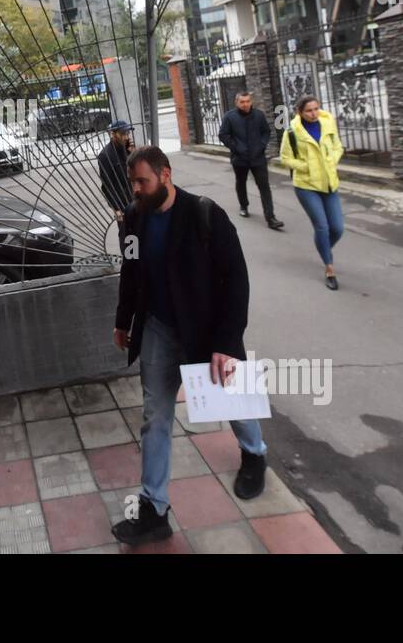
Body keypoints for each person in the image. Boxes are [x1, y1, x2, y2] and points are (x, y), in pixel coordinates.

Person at [110, 146, 267, 546]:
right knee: (155, 417)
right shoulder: (134, 217)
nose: (137, 189)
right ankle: (154, 509)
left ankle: (254, 453)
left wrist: (227, 342)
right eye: (133, 183)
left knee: (230, 399)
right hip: (159, 330)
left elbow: (237, 282)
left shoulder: (205, 215)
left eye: (142, 181)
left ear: (166, 175)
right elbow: (131, 273)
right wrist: (122, 321)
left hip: (205, 329)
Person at [279, 95, 345, 290]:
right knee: (322, 227)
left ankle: (323, 247)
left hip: (329, 183)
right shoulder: (292, 132)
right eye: (309, 110)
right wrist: (305, 165)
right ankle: (329, 267)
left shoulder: (328, 123)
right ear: (300, 112)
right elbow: (285, 158)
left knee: (338, 228)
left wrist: (331, 159)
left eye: (316, 109)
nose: (314, 113)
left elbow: (337, 147)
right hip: (306, 185)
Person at [217, 91, 284, 230]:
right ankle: (243, 205)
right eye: (242, 102)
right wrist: (236, 147)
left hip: (257, 158)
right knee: (241, 182)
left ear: (251, 101)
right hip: (239, 159)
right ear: (237, 102)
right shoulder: (230, 117)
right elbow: (223, 135)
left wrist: (261, 145)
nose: (245, 104)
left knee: (264, 186)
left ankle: (270, 217)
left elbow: (266, 132)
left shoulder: (258, 115)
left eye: (248, 101)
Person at [96, 120, 135, 231]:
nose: (126, 137)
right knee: (128, 237)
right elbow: (107, 185)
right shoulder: (105, 155)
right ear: (112, 134)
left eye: (127, 133)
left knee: (143, 234)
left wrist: (132, 153)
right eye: (123, 134)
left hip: (137, 199)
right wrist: (116, 208)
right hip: (123, 204)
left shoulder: (128, 149)